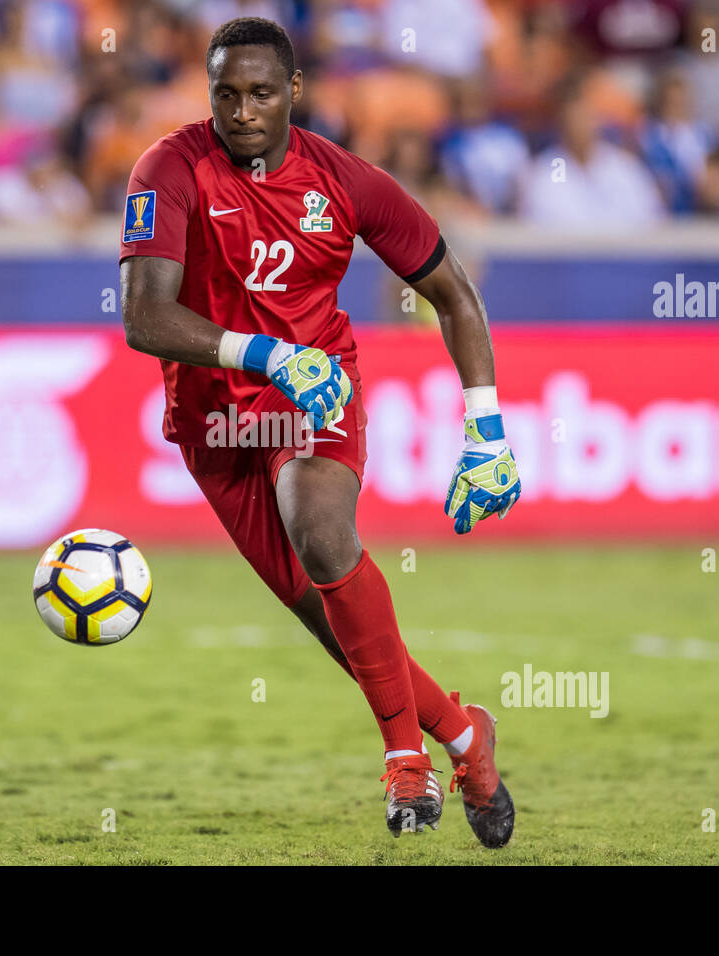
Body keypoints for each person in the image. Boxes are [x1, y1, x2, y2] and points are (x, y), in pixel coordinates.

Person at [118, 17, 519, 843]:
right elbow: (144, 316)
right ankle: (466, 735)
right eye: (225, 93)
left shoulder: (349, 183)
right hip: (214, 421)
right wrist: (263, 352)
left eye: (261, 92)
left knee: (324, 534)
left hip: (315, 392)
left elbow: (454, 294)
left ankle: (405, 764)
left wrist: (488, 431)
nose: (243, 111)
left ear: (294, 92)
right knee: (330, 616)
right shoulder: (170, 167)